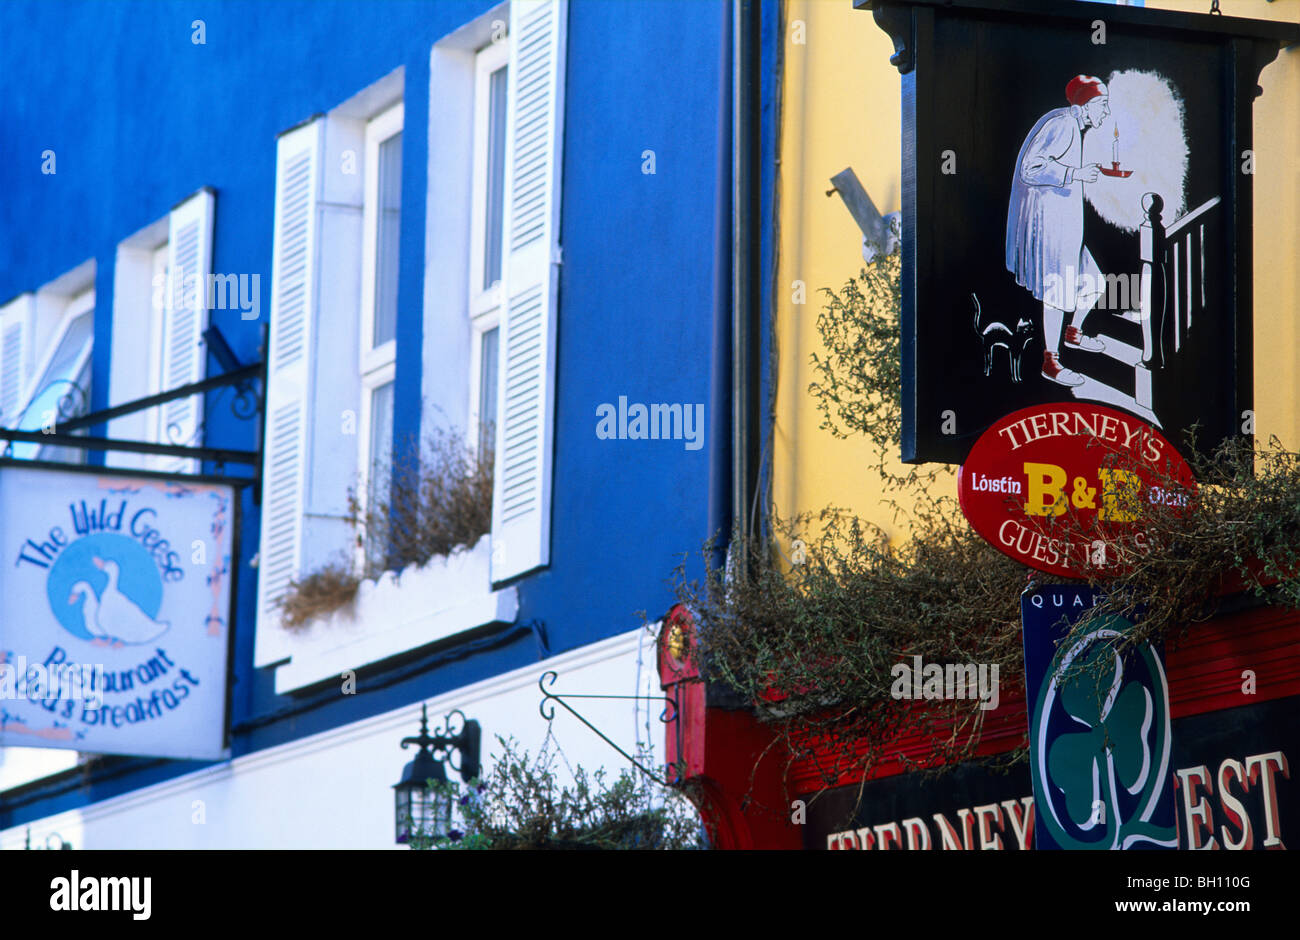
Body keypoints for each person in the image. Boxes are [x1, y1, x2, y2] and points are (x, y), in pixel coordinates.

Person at [1006, 74, 1111, 387]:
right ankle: (1050, 361)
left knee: (1094, 284)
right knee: (1056, 294)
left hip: (1067, 227)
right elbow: (1030, 168)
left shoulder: (1072, 127)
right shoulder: (1063, 125)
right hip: (1052, 229)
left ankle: (1073, 333)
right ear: (1088, 104)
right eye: (1103, 105)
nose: (1106, 112)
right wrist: (1075, 173)